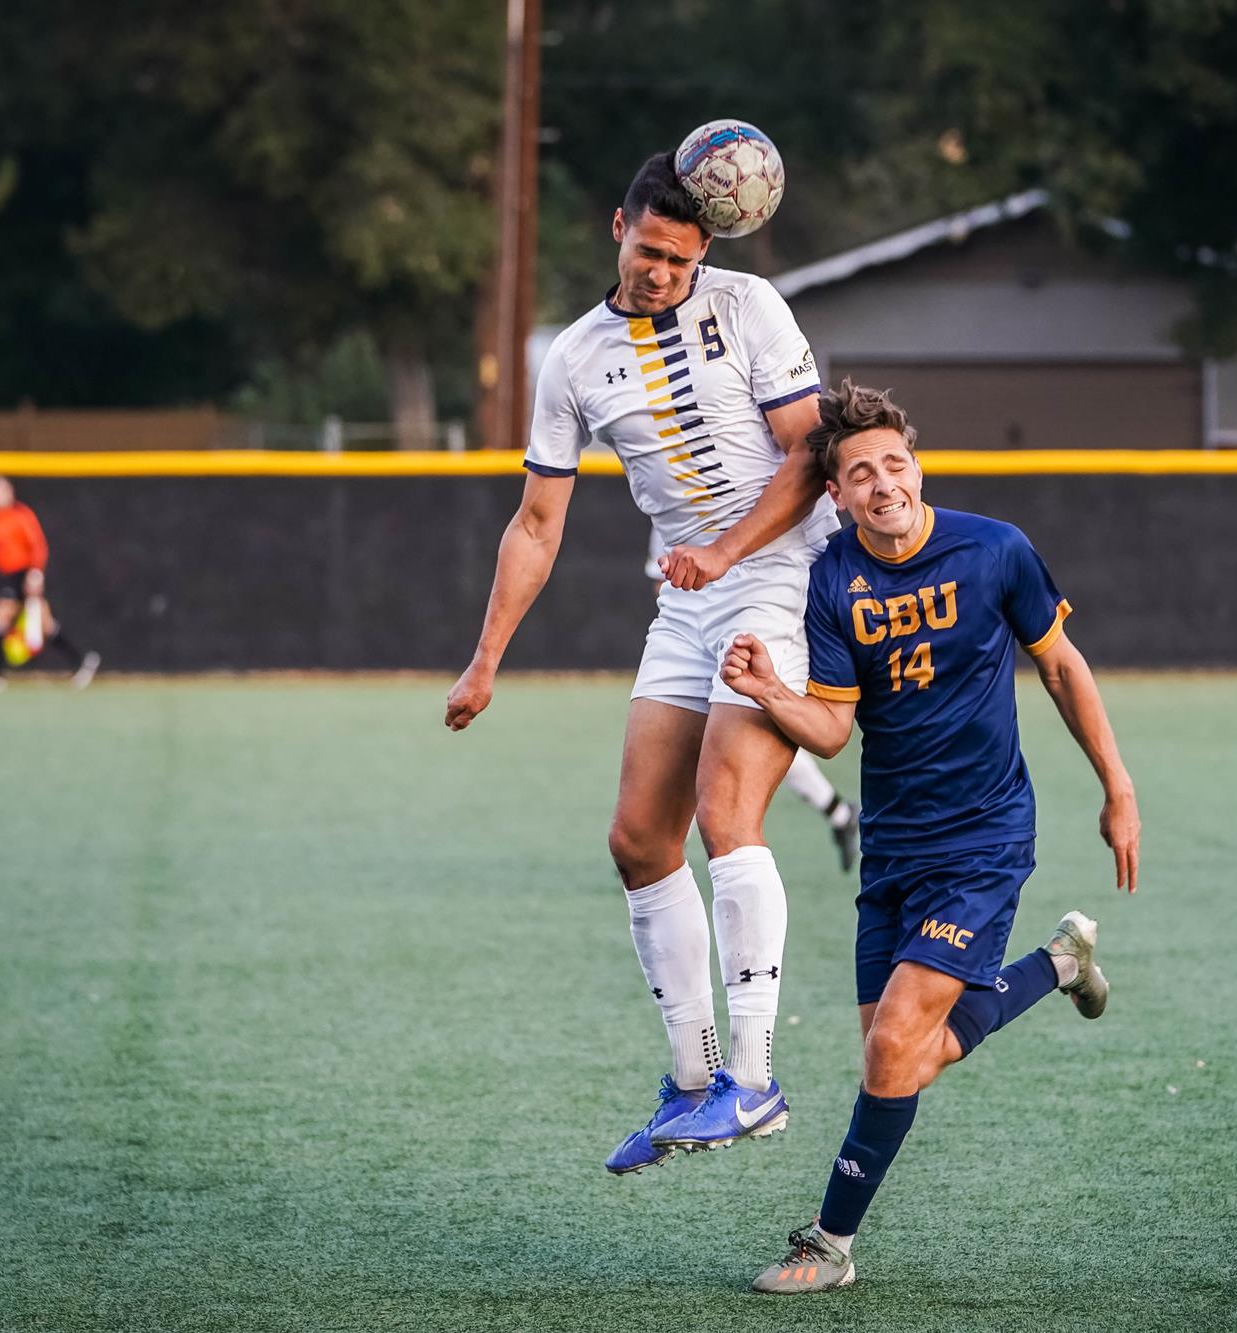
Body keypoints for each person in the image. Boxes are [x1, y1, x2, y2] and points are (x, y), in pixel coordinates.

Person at [443, 150, 832, 1173]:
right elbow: (536, 523)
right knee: (637, 840)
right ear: (617, 228)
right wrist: (484, 662)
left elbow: (812, 455)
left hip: (779, 579)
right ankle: (695, 1081)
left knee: (725, 813)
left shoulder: (749, 306)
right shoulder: (572, 358)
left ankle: (754, 1082)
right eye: (647, 249)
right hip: (688, 598)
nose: (660, 271)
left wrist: (727, 552)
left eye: (679, 258)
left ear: (705, 251)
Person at [716, 380, 1140, 1294]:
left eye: (894, 464)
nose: (883, 485)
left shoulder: (995, 549)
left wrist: (1118, 785)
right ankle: (1059, 963)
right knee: (909, 1055)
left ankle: (829, 1245)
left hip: (984, 838)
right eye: (861, 474)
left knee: (893, 1047)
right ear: (836, 493)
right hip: (893, 847)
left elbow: (1061, 668)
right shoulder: (833, 579)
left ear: (918, 467)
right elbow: (833, 729)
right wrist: (768, 691)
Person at [645, 530, 860, 871]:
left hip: (758, 628)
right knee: (723, 749)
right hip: (699, 638)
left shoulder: (760, 510)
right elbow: (663, 583)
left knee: (748, 749)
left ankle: (840, 813)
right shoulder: (669, 514)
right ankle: (840, 814)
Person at [0, 475, 101, 691]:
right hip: (6, 575)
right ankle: (81, 660)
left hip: (23, 574)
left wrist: (35, 573)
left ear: (8, 491)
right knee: (40, 624)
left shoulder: (21, 515)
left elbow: (38, 546)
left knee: (4, 618)